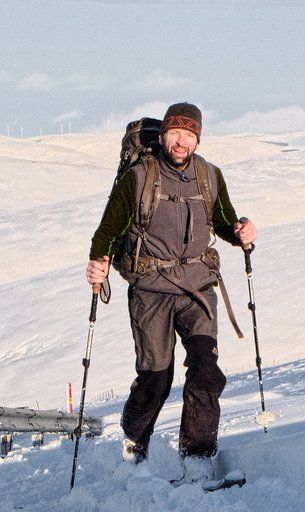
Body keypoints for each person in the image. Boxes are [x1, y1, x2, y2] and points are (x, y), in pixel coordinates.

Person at [85, 102, 257, 484]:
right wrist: (98, 264)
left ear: (198, 138)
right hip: (150, 290)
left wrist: (241, 231)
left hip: (198, 288)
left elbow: (226, 222)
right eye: (175, 134)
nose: (181, 142)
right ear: (163, 135)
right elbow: (108, 231)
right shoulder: (139, 177)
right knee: (155, 377)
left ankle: (197, 456)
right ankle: (134, 438)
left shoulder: (210, 176)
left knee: (205, 369)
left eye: (189, 135)